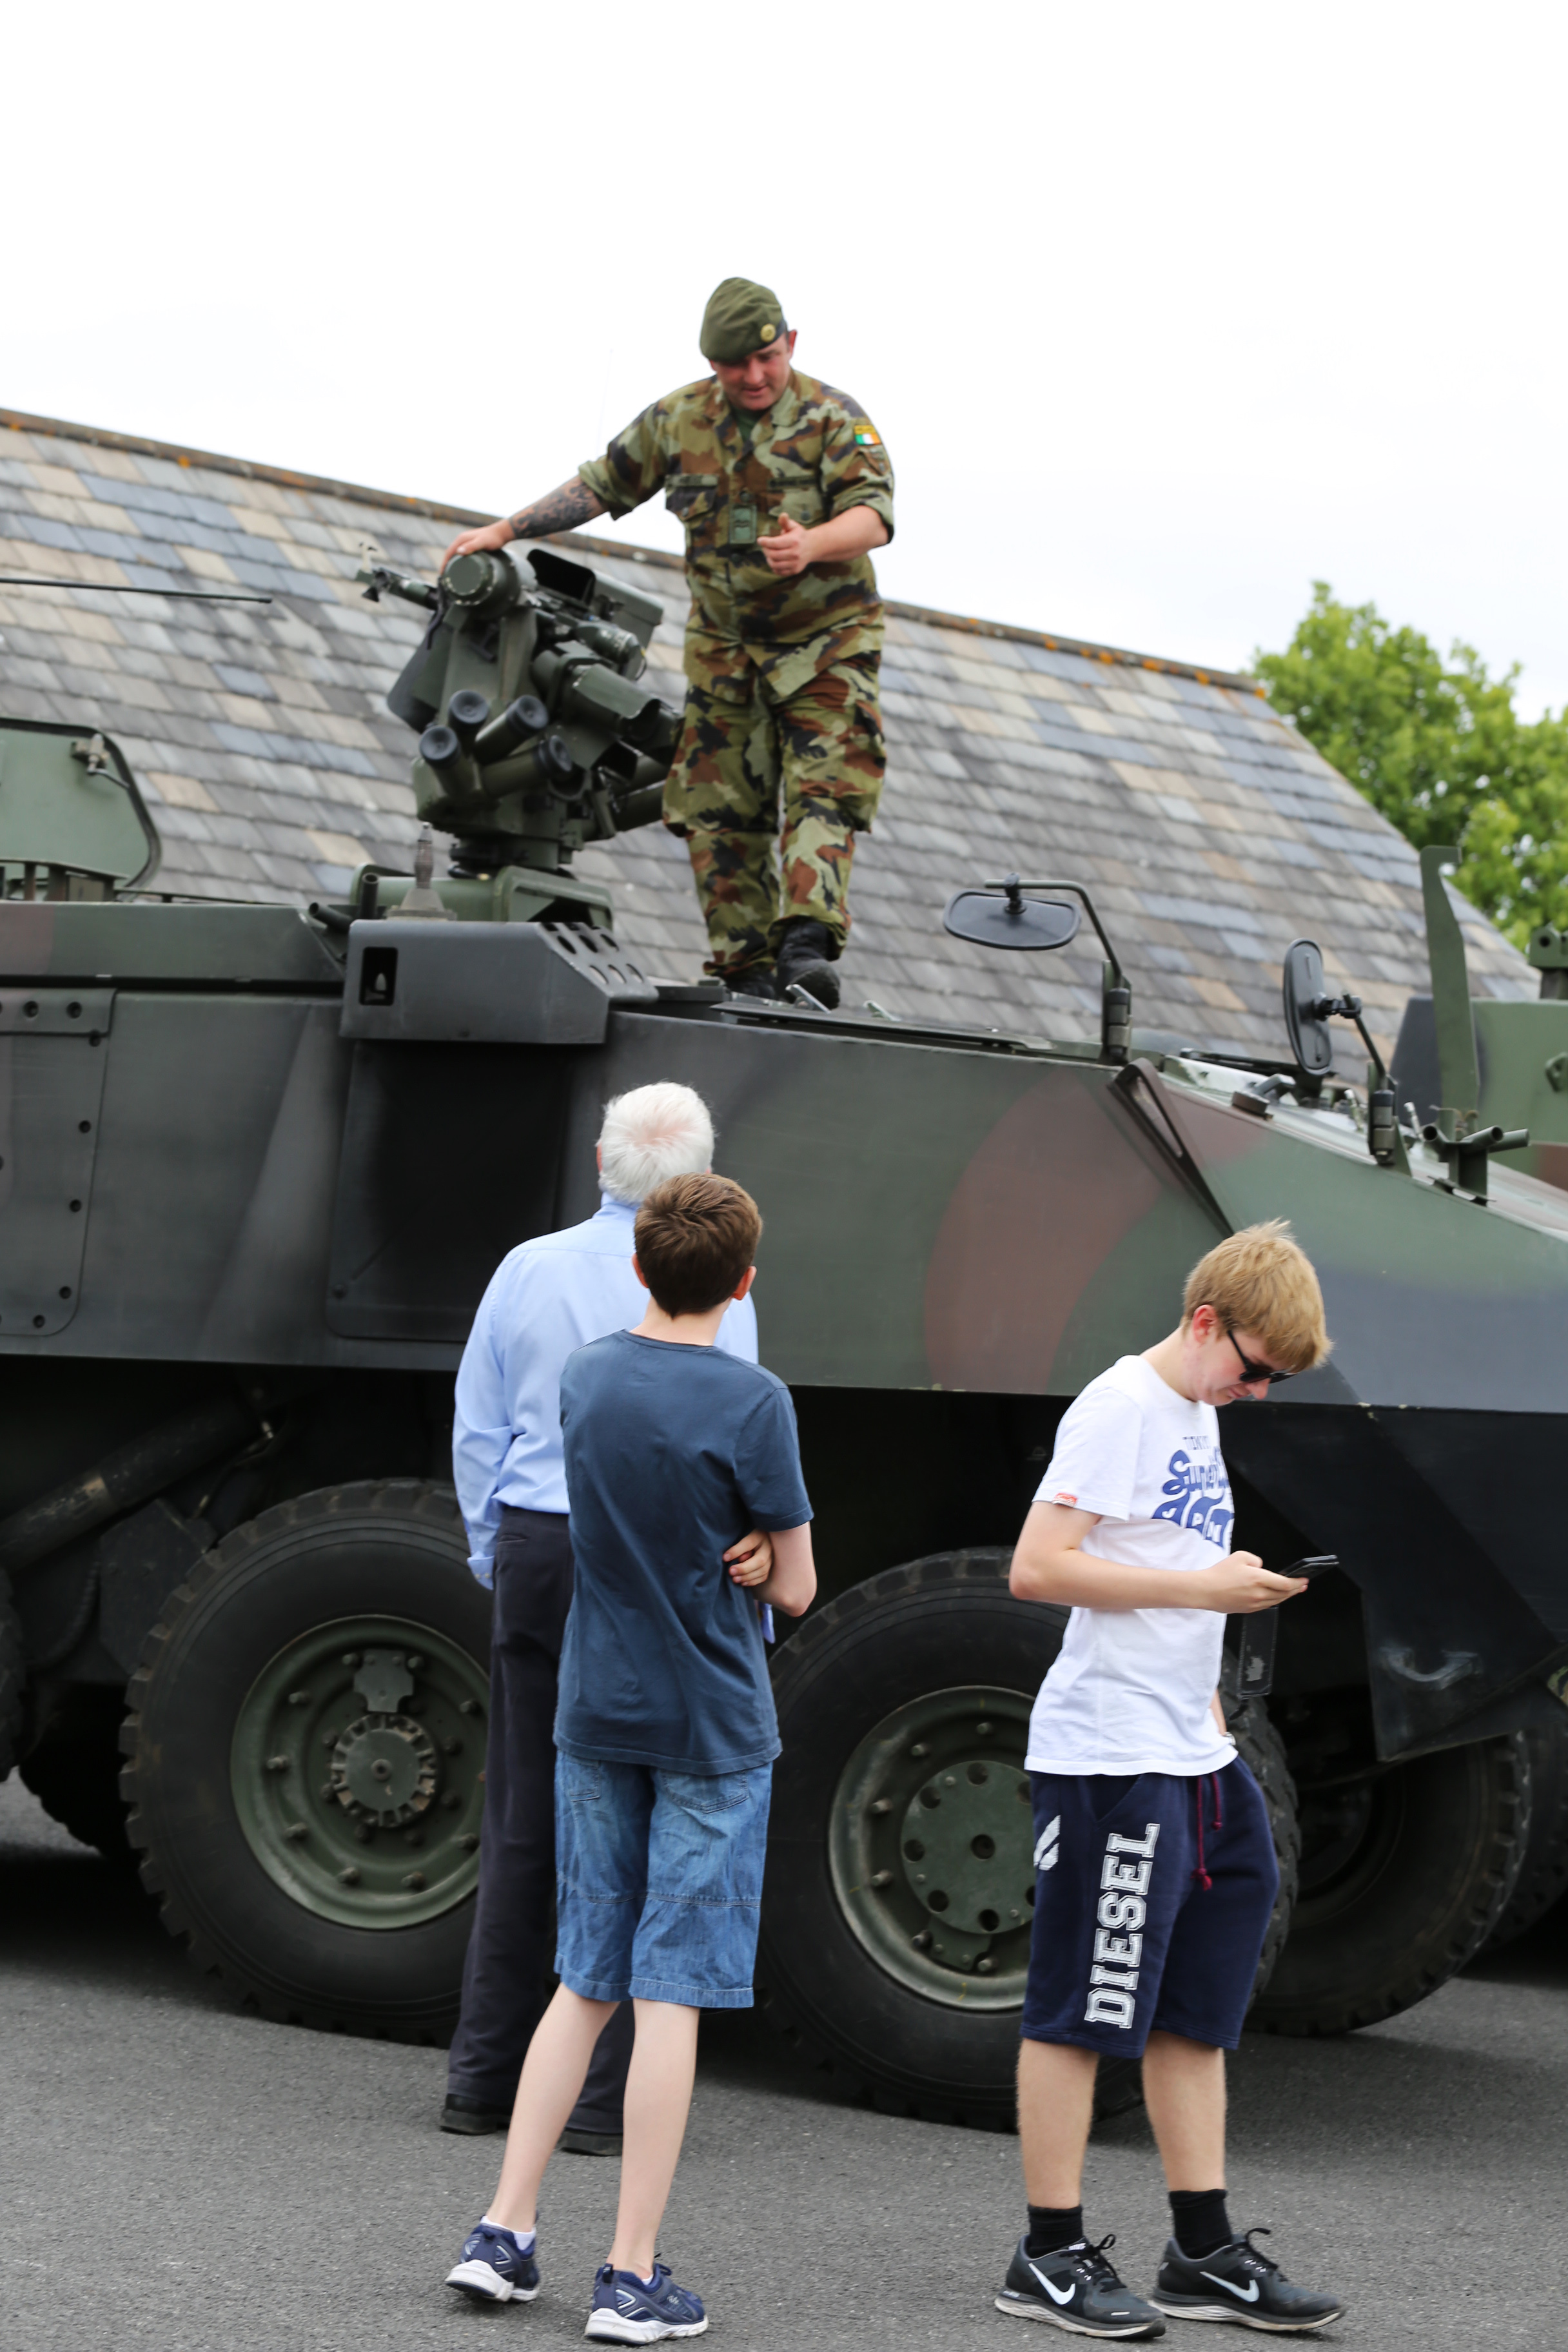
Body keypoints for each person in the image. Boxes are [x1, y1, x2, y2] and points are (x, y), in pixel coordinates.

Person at [446, 1172, 816, 2340]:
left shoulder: (592, 1372)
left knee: (584, 1977)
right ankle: (630, 2270)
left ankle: (502, 2230)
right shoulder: (757, 1402)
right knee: (672, 1992)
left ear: (642, 1269)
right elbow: (796, 1586)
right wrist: (756, 1559)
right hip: (710, 1720)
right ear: (744, 1280)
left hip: (594, 1707)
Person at [995, 1221, 1345, 2338]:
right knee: (1079, 2007)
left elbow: (1158, 1563)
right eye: (1253, 1369)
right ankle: (1046, 2250)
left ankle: (1202, 2247)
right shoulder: (1118, 1408)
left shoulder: (1193, 1408)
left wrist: (1215, 1715)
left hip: (1190, 1753)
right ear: (1205, 1322)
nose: (1254, 1392)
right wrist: (1209, 1594)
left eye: (1273, 1381)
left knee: (1196, 2010)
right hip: (1107, 1756)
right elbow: (1035, 1566)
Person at [444, 1083, 770, 2153]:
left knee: (524, 1818)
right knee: (652, 1821)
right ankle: (599, 2108)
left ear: (597, 1157)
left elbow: (479, 1423)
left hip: (543, 1542)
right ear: (698, 1179)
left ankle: (483, 2078)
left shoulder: (525, 1268)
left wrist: (497, 1549)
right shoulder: (726, 1294)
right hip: (667, 1561)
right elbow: (731, 1446)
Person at [439, 276, 894, 1010]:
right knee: (713, 801)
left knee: (824, 786)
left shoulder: (833, 419)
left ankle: (805, 948)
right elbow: (600, 483)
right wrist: (505, 530)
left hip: (825, 642)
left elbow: (872, 515)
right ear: (710, 364)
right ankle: (743, 965)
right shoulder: (678, 422)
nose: (754, 377)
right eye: (734, 365)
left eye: (767, 359)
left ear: (791, 345)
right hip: (724, 645)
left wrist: (811, 544)